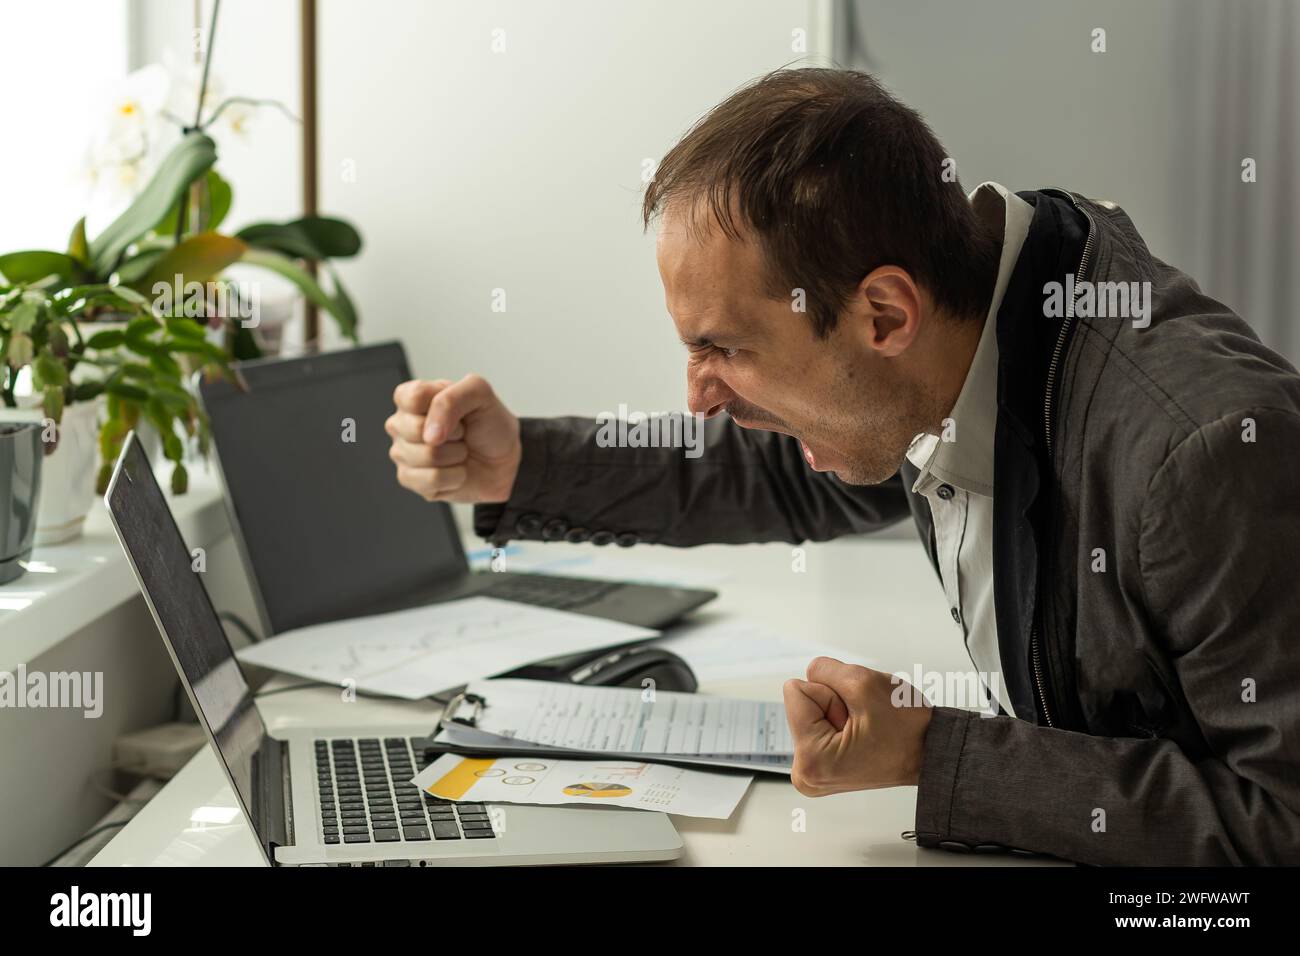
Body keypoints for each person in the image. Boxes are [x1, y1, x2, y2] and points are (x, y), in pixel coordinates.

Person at [385, 69, 1300, 865]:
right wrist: (518, 466)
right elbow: (774, 473)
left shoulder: (1201, 454)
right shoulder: (964, 316)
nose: (701, 396)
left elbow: (1282, 822)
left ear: (883, 316)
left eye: (727, 350)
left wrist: (935, 754)